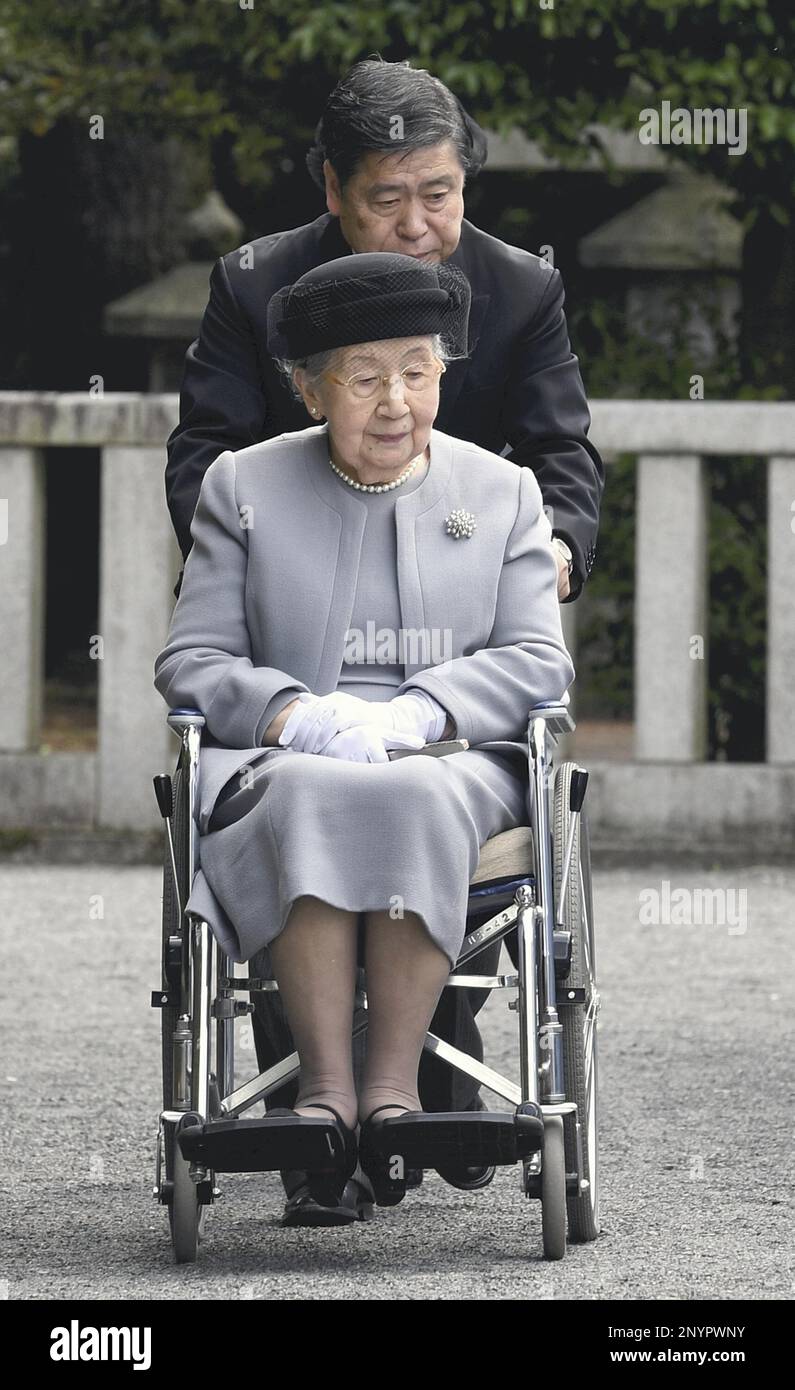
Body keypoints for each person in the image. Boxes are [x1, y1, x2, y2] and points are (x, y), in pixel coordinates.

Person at [164, 57, 601, 1222]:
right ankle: (319, 1110)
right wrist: (258, 609)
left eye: (441, 195)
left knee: (419, 791)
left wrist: (538, 563)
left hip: (457, 669)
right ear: (332, 188)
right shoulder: (258, 302)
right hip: (292, 672)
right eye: (387, 197)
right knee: (303, 787)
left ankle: (414, 1092)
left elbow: (561, 464)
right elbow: (207, 470)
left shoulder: (515, 303)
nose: (419, 223)